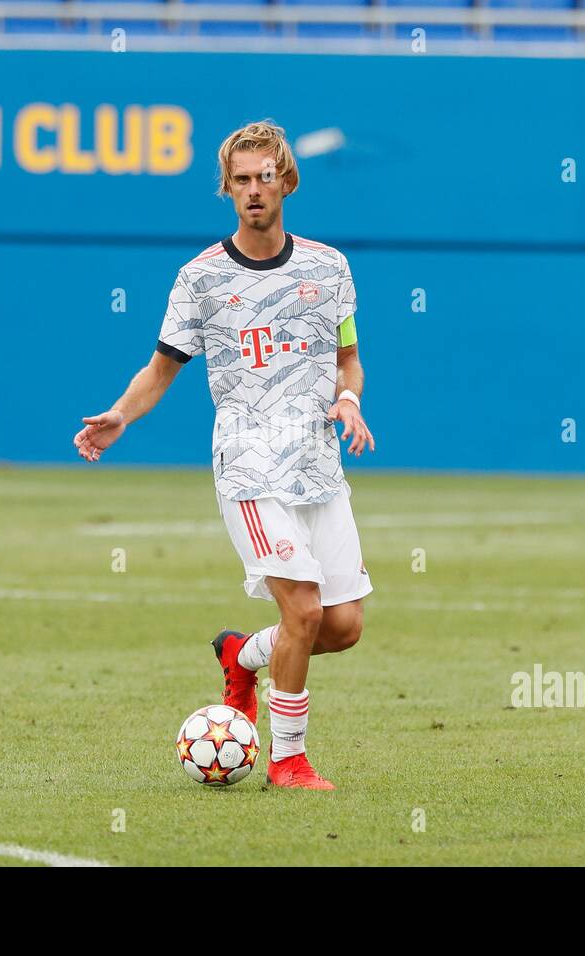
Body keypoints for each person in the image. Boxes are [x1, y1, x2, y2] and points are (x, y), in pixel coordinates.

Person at [73, 120, 375, 790]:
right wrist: (120, 415)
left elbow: (348, 361)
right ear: (228, 190)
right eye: (240, 180)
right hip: (249, 465)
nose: (253, 190)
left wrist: (349, 400)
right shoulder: (201, 280)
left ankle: (242, 655)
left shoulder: (329, 269)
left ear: (286, 180)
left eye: (264, 176)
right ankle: (288, 761)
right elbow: (160, 368)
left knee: (343, 625)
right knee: (302, 611)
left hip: (318, 466)